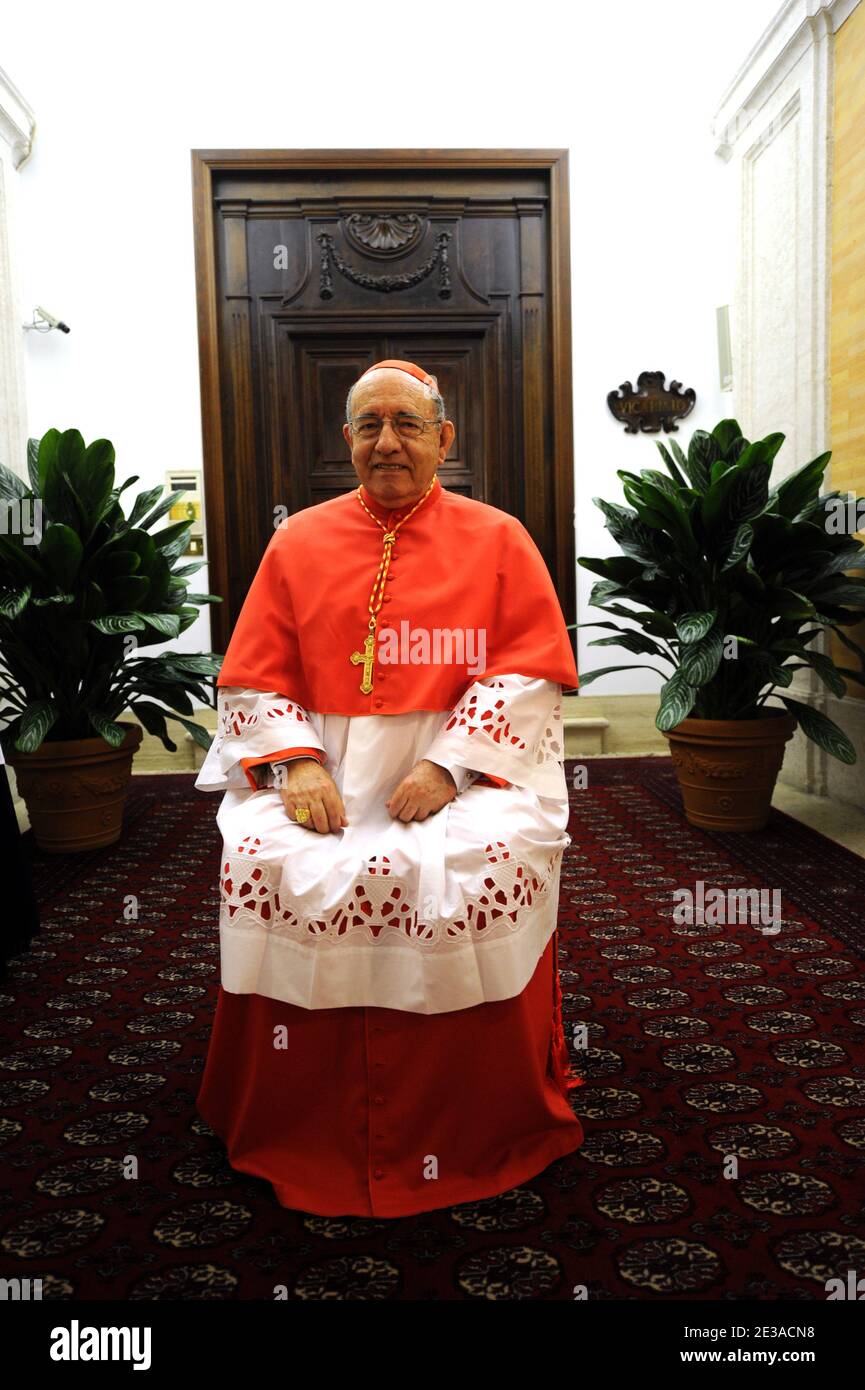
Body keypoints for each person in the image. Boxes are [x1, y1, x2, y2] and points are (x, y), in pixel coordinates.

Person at [194, 358, 584, 1217]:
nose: (387, 442)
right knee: (266, 857)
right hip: (322, 767)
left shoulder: (498, 536)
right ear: (346, 442)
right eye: (368, 425)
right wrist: (294, 761)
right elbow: (254, 675)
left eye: (407, 424)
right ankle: (300, 1112)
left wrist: (448, 764)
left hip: (462, 765)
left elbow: (528, 672)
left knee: (472, 860)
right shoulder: (296, 540)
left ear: (443, 438)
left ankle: (474, 1115)